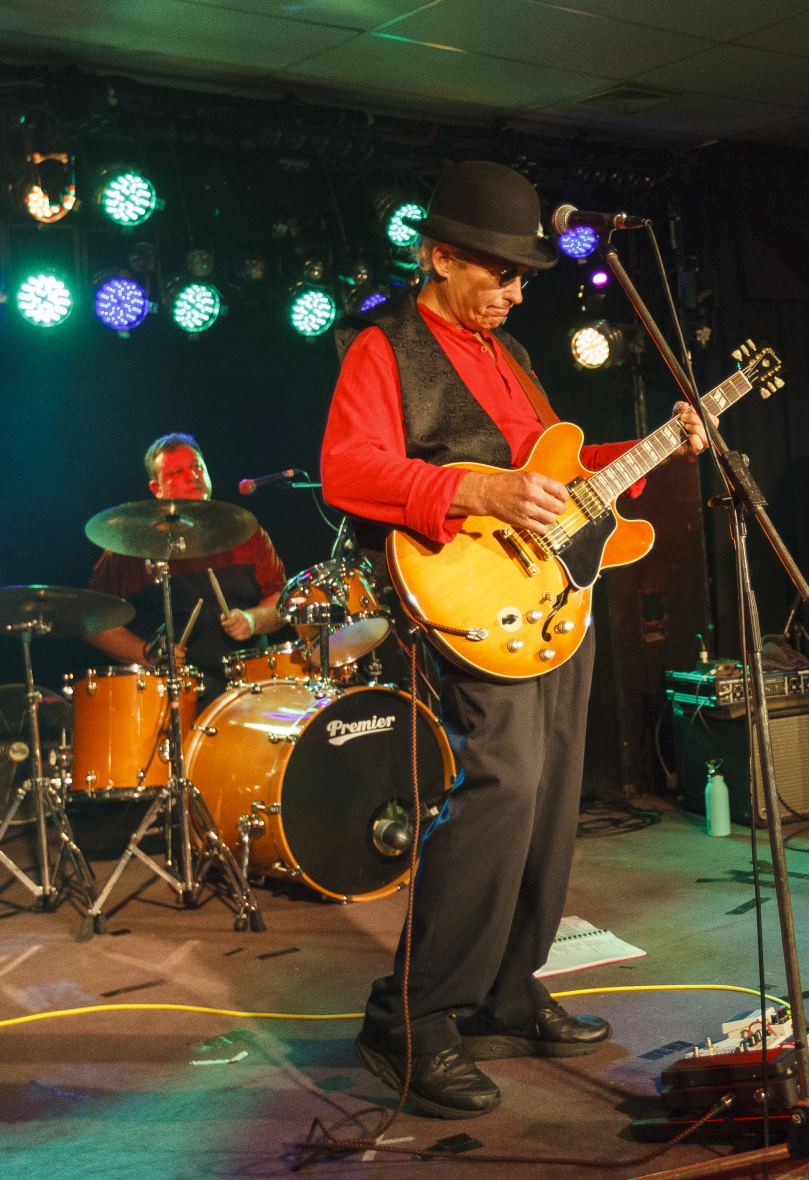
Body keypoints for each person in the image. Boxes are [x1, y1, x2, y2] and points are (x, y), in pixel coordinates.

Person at [320, 160, 706, 1120]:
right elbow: (347, 470)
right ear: (440, 256)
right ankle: (408, 1018)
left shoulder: (515, 356)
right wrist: (474, 490)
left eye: (525, 276)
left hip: (547, 603)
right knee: (503, 788)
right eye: (498, 272)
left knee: (554, 790)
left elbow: (559, 478)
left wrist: (654, 445)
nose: (515, 291)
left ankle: (508, 990)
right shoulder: (385, 347)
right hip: (460, 601)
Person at [86, 433, 287, 704]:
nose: (192, 476)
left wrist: (253, 620)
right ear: (156, 489)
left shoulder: (246, 533)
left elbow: (282, 602)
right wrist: (147, 653)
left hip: (251, 687)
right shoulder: (129, 549)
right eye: (177, 471)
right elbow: (94, 624)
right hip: (173, 693)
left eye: (197, 467)